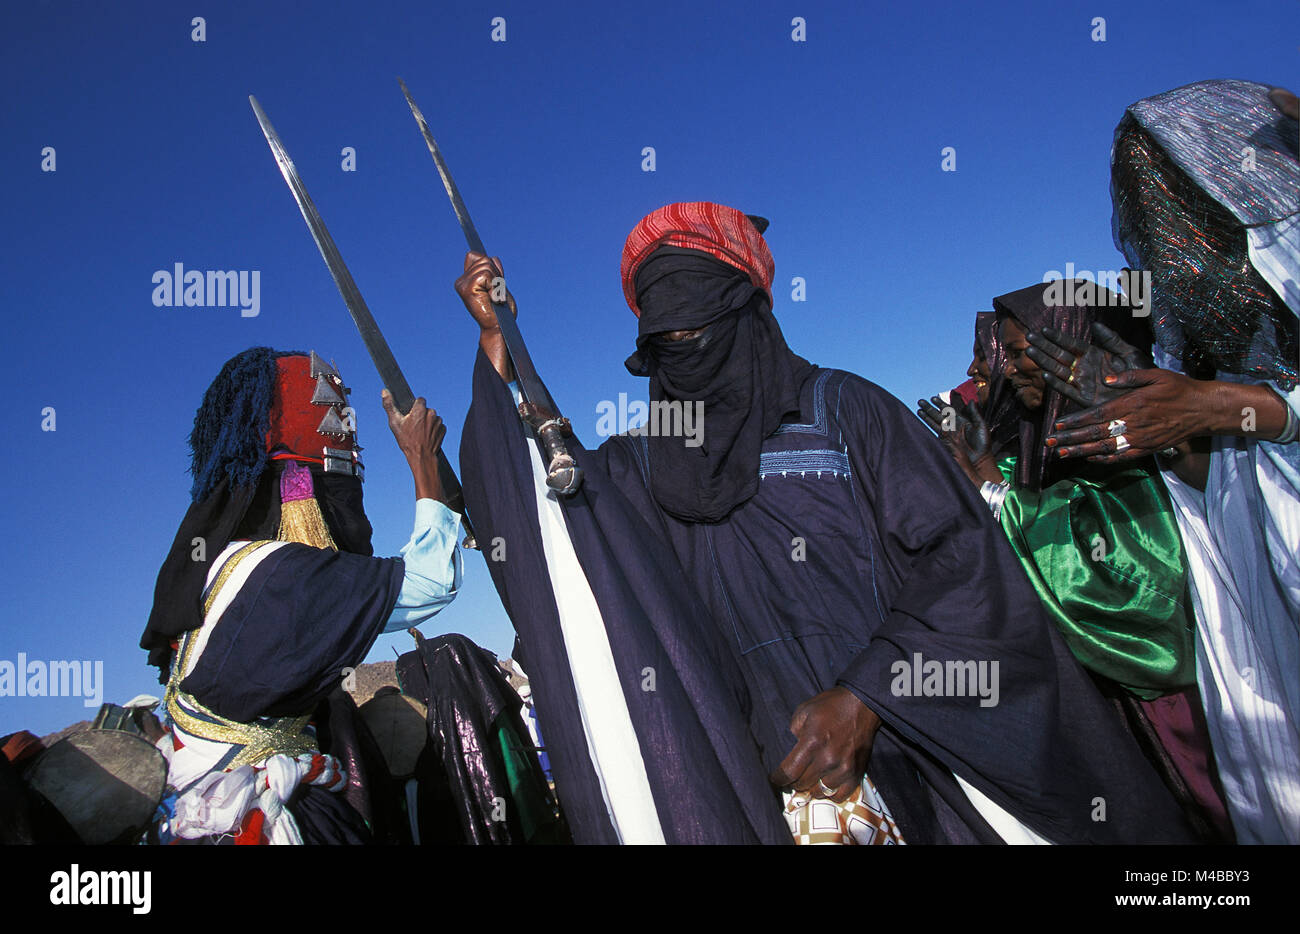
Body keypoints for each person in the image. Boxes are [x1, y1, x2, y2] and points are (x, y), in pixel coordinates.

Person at [455, 201, 1195, 844]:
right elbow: (551, 512)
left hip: (930, 763)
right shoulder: (643, 471)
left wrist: (868, 696)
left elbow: (965, 565)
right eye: (665, 346)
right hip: (772, 791)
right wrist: (500, 346)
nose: (687, 358)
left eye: (702, 330)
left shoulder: (846, 413)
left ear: (757, 313)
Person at [1028, 80, 1299, 844]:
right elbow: (1236, 545)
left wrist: (1232, 410)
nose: (1175, 253)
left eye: (1195, 222)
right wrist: (1163, 425)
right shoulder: (1231, 389)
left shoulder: (1238, 398)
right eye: (1155, 229)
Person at [921, 285, 1231, 842]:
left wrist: (993, 493)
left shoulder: (1132, 438)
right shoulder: (1051, 439)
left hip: (1179, 705)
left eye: (1017, 353)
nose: (1005, 368)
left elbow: (1140, 591)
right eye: (1005, 354)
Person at [139, 347, 462, 844]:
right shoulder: (278, 578)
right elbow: (430, 581)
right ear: (299, 495)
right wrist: (423, 463)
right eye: (337, 483)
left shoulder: (221, 569)